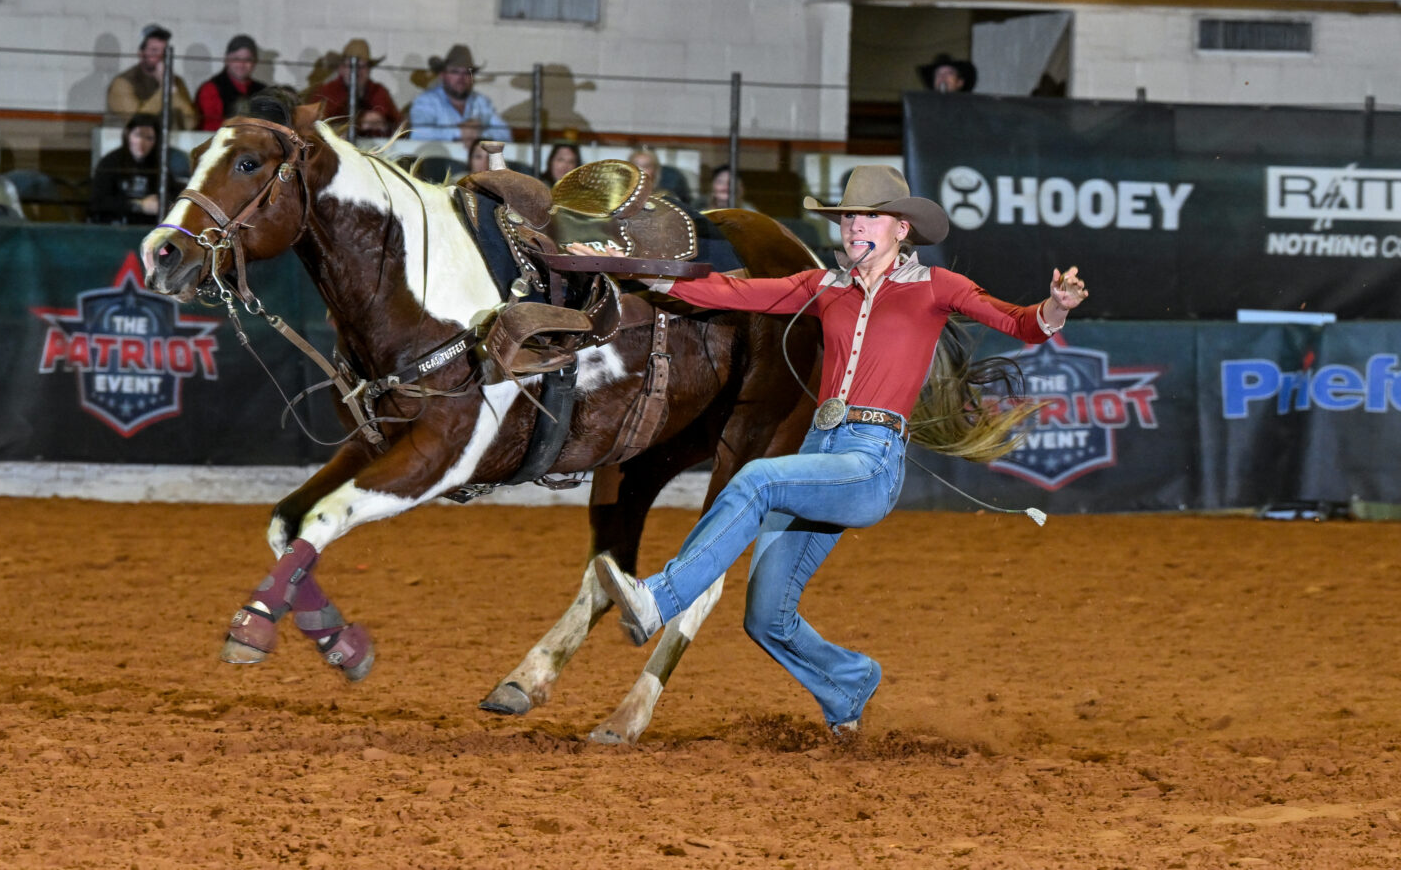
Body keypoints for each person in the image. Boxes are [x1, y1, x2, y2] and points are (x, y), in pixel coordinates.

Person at [591, 165, 1088, 733]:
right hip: (822, 451)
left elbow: (1021, 323)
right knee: (766, 618)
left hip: (869, 462)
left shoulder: (937, 287)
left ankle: (657, 600)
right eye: (849, 216)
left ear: (901, 228)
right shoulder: (823, 286)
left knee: (757, 479)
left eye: (869, 216)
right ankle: (849, 684)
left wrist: (1057, 307)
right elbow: (731, 290)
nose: (854, 225)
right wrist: (634, 271)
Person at [408, 44, 512, 143]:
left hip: (473, 161)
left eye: (467, 72)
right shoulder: (426, 101)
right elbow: (419, 134)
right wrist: (459, 132)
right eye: (455, 72)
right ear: (442, 75)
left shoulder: (481, 102)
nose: (461, 78)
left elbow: (505, 134)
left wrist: (478, 134)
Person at [106, 24, 199, 129]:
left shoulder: (176, 82)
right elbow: (137, 123)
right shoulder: (122, 83)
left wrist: (173, 90)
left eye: (164, 52)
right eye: (154, 50)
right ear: (141, 53)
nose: (160, 56)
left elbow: (190, 124)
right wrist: (164, 89)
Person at [308, 39, 402, 137]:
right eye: (351, 66)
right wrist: (358, 123)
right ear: (341, 68)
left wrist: (385, 125)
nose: (356, 71)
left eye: (361, 66)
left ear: (368, 70)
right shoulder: (326, 92)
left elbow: (400, 126)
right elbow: (313, 128)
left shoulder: (379, 92)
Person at [90, 113, 166, 225]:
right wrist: (139, 205)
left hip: (148, 229)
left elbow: (173, 194)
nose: (141, 143)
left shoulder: (159, 165)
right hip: (115, 228)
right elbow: (97, 203)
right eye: (138, 135)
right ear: (127, 134)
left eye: (149, 138)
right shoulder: (110, 162)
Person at [195, 34, 267, 132]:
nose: (242, 64)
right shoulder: (211, 89)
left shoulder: (264, 91)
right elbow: (211, 129)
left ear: (255, 62)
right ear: (227, 59)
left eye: (248, 59)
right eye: (236, 59)